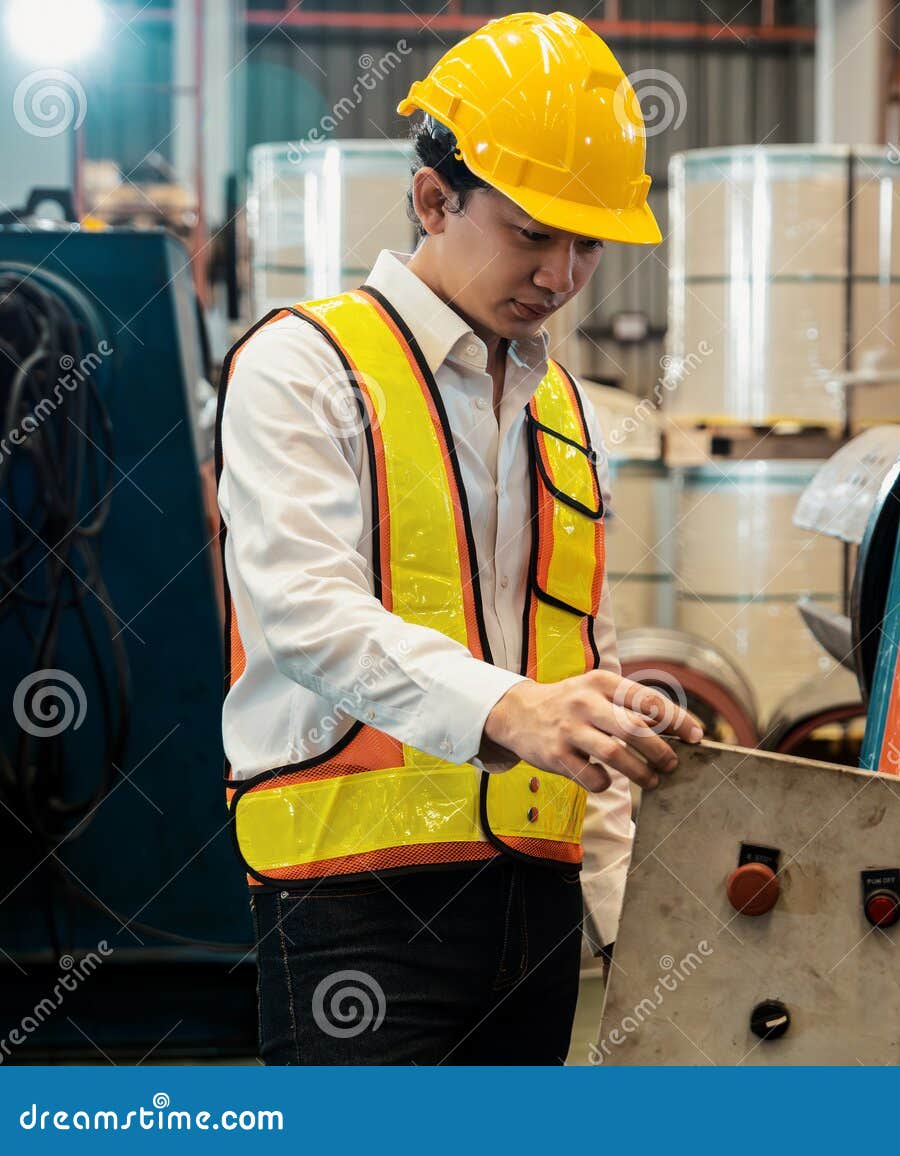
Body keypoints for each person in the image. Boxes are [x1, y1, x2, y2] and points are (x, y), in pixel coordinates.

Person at [215, 11, 698, 1064]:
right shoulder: (306, 368)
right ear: (436, 199)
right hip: (356, 905)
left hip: (535, 912)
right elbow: (304, 612)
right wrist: (514, 707)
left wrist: (629, 913)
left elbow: (576, 656)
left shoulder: (564, 408)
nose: (563, 275)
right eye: (533, 233)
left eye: (586, 244)